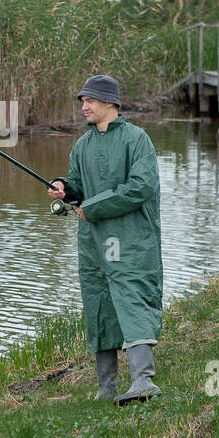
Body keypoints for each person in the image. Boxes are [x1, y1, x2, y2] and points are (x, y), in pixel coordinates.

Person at [49, 75, 163, 404]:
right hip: (93, 241)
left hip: (131, 239)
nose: (85, 106)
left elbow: (140, 188)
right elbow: (79, 188)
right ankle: (106, 388)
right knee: (99, 303)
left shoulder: (137, 140)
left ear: (111, 103)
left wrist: (93, 206)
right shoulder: (82, 145)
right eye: (83, 100)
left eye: (92, 101)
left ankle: (143, 381)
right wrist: (64, 189)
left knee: (131, 298)